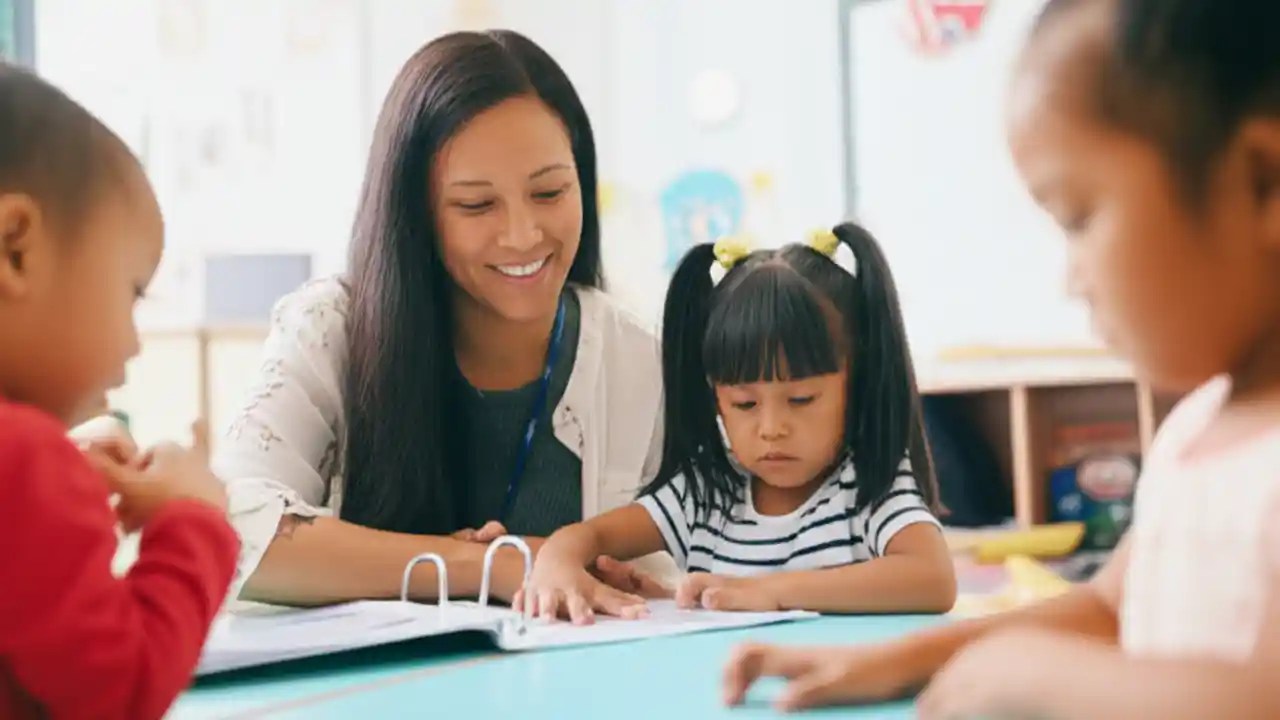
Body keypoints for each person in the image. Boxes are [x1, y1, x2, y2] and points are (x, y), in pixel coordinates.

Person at [722, 0, 1280, 717]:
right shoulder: (1200, 428)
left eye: (1079, 219)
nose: (1071, 278)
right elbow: (1111, 607)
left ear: (1262, 183)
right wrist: (897, 660)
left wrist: (1041, 677)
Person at [212, 30, 670, 608]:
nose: (523, 234)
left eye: (550, 192)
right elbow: (227, 531)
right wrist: (493, 566)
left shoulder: (638, 360)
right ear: (416, 213)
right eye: (477, 205)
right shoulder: (331, 330)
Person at [516, 225, 955, 623]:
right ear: (715, 396)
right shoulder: (705, 493)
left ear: (856, 383)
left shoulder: (867, 486)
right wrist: (560, 557)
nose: (771, 427)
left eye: (800, 399)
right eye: (744, 404)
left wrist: (770, 592)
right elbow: (590, 536)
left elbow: (932, 579)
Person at [0, 65, 238, 719]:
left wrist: (66, 481)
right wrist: (192, 518)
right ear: (15, 249)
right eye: (132, 292)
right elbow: (122, 691)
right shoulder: (23, 462)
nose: (134, 342)